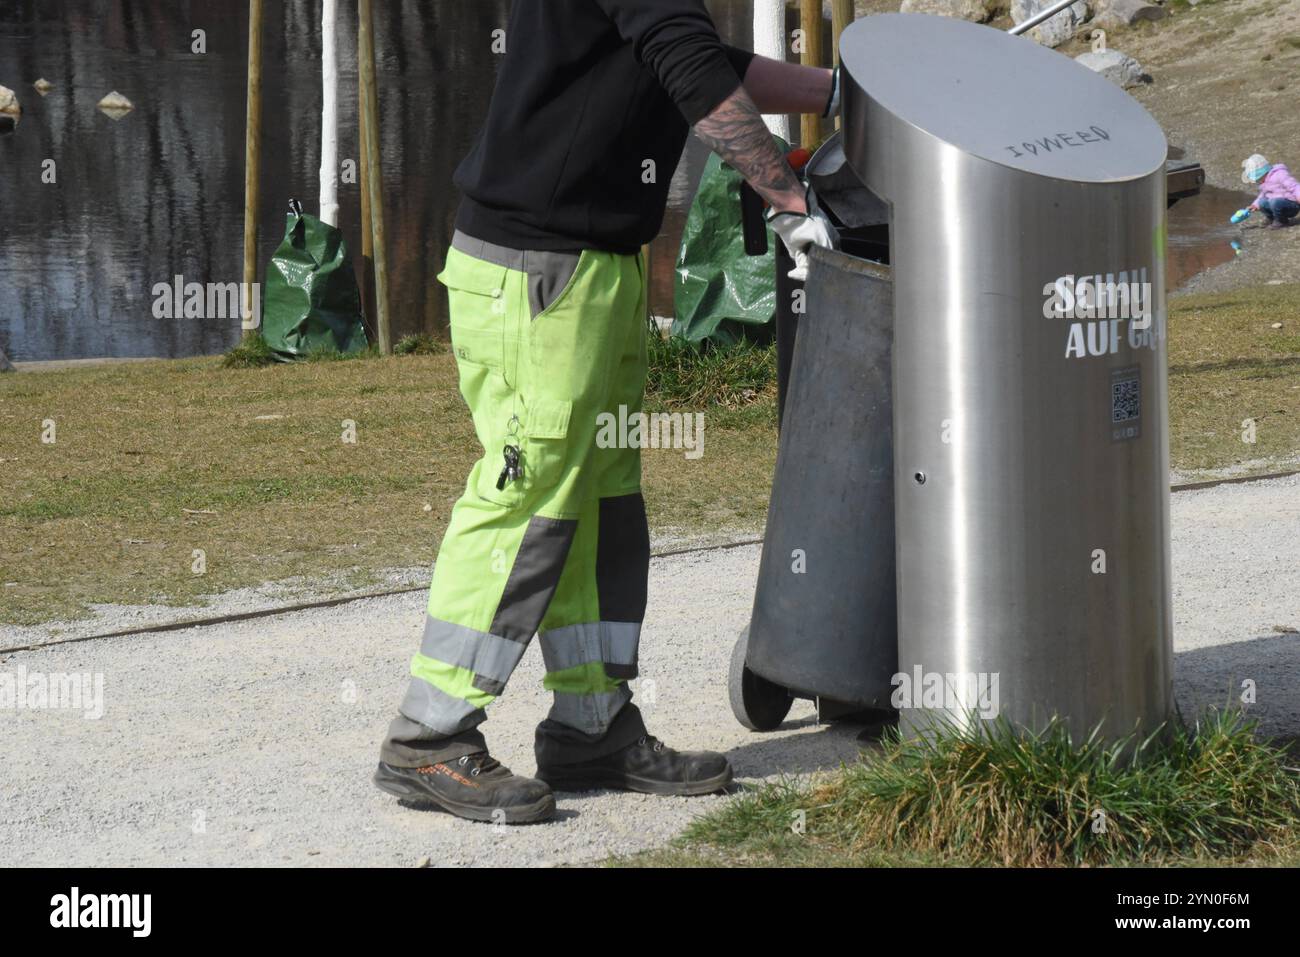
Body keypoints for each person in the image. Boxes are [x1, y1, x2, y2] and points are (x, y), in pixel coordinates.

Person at [373, 0, 839, 825]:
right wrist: (789, 198)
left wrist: (836, 91)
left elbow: (686, 56)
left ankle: (592, 725)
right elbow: (690, 69)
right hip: (538, 269)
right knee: (531, 495)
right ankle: (429, 736)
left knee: (601, 501)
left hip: (593, 265)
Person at [1242, 153, 1300, 229]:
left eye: (1258, 178)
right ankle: (1271, 218)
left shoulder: (1280, 174)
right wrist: (1254, 205)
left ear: (1263, 173)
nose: (1258, 181)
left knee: (1274, 202)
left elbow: (1294, 186)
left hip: (1291, 205)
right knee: (1262, 202)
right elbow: (1262, 195)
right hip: (1276, 205)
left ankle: (1282, 221)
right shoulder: (1264, 182)